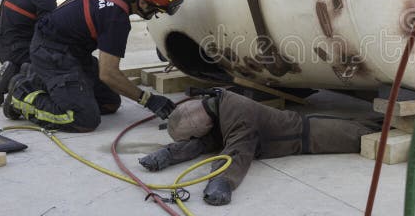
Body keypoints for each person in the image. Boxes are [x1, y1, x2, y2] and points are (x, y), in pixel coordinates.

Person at [3, 0, 183, 132]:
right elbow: (108, 73)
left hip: (70, 50)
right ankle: (20, 96)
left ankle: (39, 78)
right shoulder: (116, 20)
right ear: (142, 2)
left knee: (109, 103)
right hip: (51, 53)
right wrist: (149, 100)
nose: (156, 15)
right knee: (83, 118)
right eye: (156, 10)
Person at [139, 88, 381, 205]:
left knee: (364, 134)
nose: (193, 140)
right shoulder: (216, 107)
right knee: (207, 142)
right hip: (283, 136)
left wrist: (221, 181)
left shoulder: (239, 115)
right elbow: (203, 142)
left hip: (306, 136)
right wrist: (168, 154)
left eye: (188, 137)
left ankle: (392, 124)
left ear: (201, 124)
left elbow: (237, 153)